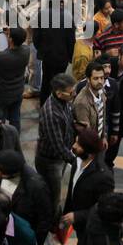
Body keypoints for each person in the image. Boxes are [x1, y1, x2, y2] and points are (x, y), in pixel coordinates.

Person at [35, 72, 77, 211]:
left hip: (61, 157)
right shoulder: (52, 113)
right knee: (53, 196)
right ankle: (51, 222)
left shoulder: (64, 102)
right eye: (71, 93)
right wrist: (77, 161)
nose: (74, 94)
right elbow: (58, 147)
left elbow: (69, 122)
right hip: (51, 161)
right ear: (59, 93)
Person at [0, 27, 30, 131]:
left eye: (8, 35)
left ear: (11, 40)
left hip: (1, 94)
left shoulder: (2, 57)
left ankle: (1, 139)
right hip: (17, 91)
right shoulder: (26, 50)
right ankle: (15, 138)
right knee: (15, 117)